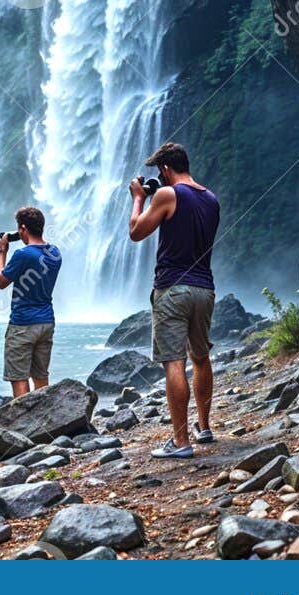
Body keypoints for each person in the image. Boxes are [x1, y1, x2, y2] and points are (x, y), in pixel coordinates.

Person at [127, 142, 219, 459]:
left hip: (173, 288)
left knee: (174, 362)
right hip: (204, 289)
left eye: (160, 173)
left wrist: (140, 198)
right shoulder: (211, 198)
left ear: (165, 170)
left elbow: (136, 231)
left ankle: (181, 443)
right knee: (201, 357)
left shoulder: (168, 194)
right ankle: (204, 428)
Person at [0, 206, 62, 397]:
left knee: (19, 377)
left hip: (23, 324)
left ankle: (23, 424)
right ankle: (46, 420)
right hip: (46, 321)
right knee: (41, 376)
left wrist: (2, 252)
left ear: (23, 229)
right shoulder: (55, 253)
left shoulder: (22, 254)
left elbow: (1, 282)